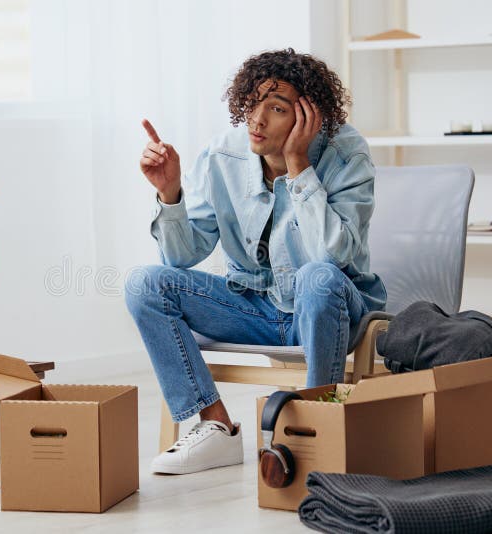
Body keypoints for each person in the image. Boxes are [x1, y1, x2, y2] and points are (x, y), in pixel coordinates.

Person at [125, 48, 386, 475]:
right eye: (252, 104)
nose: (257, 120)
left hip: (328, 309)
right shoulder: (222, 155)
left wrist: (299, 168)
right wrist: (170, 194)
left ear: (309, 117)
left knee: (318, 277)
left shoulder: (346, 154)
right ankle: (216, 427)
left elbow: (333, 256)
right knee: (145, 284)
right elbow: (181, 256)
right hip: (250, 307)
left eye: (277, 109)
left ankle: (316, 428)